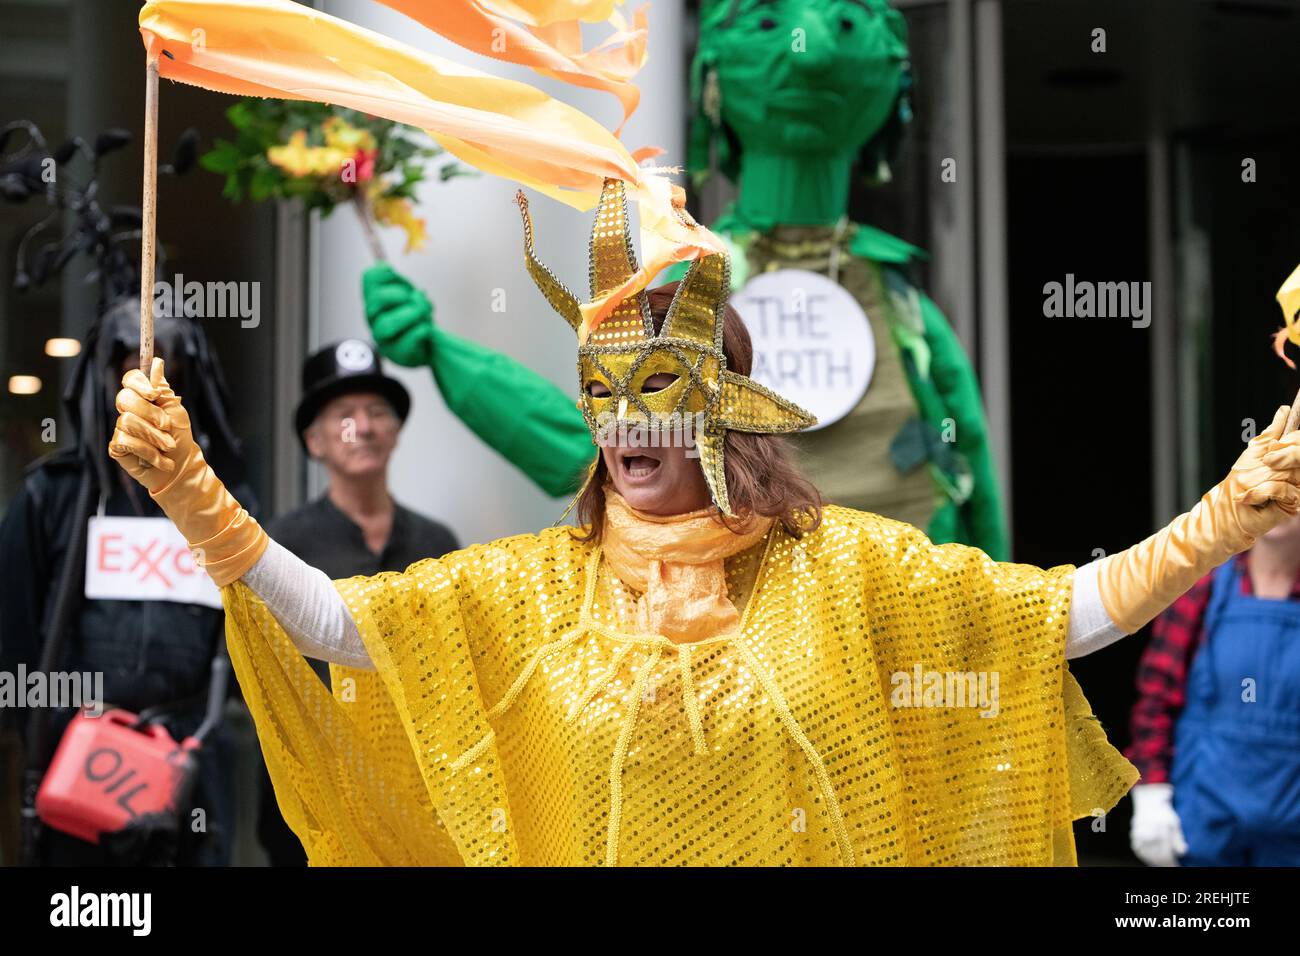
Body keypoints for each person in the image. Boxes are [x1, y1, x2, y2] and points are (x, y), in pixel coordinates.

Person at [107, 180, 1300, 866]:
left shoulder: (841, 571)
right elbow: (339, 628)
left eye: (660, 393)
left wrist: (1227, 510)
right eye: (603, 397)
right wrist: (196, 496)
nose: (624, 426)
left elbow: (1062, 617)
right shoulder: (532, 586)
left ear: (726, 413)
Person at [361, 0, 1009, 557]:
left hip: (905, 620)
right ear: (712, 79)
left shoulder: (898, 306)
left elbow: (972, 463)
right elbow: (586, 447)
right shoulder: (686, 280)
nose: (808, 57)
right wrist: (443, 354)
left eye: (844, 22)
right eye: (763, 22)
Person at [256, 338, 460, 865]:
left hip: (417, 798)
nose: (363, 427)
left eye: (377, 412)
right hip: (314, 800)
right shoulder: (280, 547)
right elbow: (255, 676)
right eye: (344, 415)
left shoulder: (438, 545)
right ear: (314, 440)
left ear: (395, 431)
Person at [1127, 511, 1300, 867]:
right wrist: (1151, 794)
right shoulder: (1202, 589)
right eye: (1271, 489)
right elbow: (1157, 700)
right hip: (1204, 827)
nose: (1282, 502)